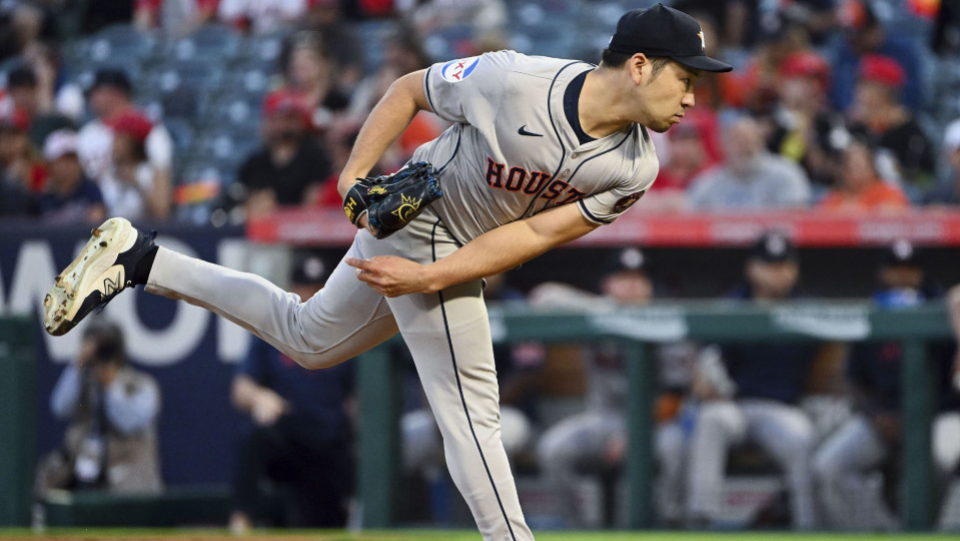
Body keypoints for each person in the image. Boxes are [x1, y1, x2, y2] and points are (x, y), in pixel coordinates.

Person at [42, 5, 733, 540]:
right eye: (687, 75)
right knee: (472, 412)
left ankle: (142, 258)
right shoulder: (513, 79)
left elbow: (534, 232)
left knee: (308, 338)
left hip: (456, 248)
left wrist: (434, 278)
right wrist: (352, 174)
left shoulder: (636, 165)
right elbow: (407, 90)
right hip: (417, 212)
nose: (694, 96)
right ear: (639, 66)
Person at [531, 248, 697, 528]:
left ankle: (670, 525)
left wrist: (634, 435)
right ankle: (578, 531)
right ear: (607, 285)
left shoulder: (664, 321)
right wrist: (604, 310)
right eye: (623, 278)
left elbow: (674, 398)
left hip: (654, 424)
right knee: (552, 448)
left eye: (640, 279)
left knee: (675, 446)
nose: (633, 285)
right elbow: (543, 297)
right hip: (603, 418)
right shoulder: (596, 316)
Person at [812, 240, 960, 530]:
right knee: (828, 466)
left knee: (939, 458)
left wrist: (918, 420)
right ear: (883, 272)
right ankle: (884, 531)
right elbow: (854, 379)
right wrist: (875, 414)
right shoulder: (872, 313)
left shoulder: (944, 310)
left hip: (937, 417)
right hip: (885, 418)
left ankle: (924, 531)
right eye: (896, 269)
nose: (902, 277)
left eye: (910, 269)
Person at [685, 231, 819, 530]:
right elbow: (704, 365)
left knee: (800, 437)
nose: (778, 272)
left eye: (784, 264)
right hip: (734, 406)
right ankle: (700, 521)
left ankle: (809, 527)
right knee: (711, 419)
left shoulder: (808, 309)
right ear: (751, 268)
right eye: (769, 264)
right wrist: (704, 382)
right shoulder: (731, 307)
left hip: (780, 409)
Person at [229, 253, 354, 533]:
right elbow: (240, 389)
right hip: (288, 437)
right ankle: (241, 521)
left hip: (327, 444)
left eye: (318, 289)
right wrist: (260, 397)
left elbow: (358, 398)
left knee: (322, 522)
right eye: (303, 288)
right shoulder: (273, 329)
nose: (310, 296)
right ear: (291, 289)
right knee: (254, 435)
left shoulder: (347, 332)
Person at [34, 319, 162, 506]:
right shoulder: (83, 383)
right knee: (49, 478)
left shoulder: (142, 386)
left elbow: (127, 422)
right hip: (83, 480)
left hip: (129, 486)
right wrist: (78, 366)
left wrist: (110, 386)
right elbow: (59, 407)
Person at [76, 69, 173, 219]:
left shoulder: (149, 129)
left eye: (97, 93)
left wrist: (135, 180)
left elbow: (161, 196)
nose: (92, 99)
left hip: (143, 222)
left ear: (115, 94)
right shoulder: (85, 134)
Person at [238, 91, 333, 219]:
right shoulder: (255, 163)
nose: (284, 126)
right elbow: (243, 202)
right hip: (263, 231)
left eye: (290, 118)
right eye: (278, 118)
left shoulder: (316, 158)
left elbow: (315, 201)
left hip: (304, 229)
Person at [686, 116, 812, 211]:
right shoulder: (708, 182)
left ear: (760, 143)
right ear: (723, 146)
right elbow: (691, 217)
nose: (744, 147)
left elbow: (799, 216)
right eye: (737, 141)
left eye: (750, 141)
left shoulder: (786, 173)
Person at [817, 139, 910, 213]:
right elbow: (822, 219)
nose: (855, 171)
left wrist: (862, 210)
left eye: (860, 166)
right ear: (843, 171)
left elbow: (897, 212)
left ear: (872, 168)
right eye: (851, 166)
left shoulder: (886, 191)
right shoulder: (834, 197)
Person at [36, 129, 106, 224]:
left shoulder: (90, 190)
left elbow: (97, 221)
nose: (68, 166)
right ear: (49, 163)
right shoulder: (42, 197)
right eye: (62, 160)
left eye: (73, 160)